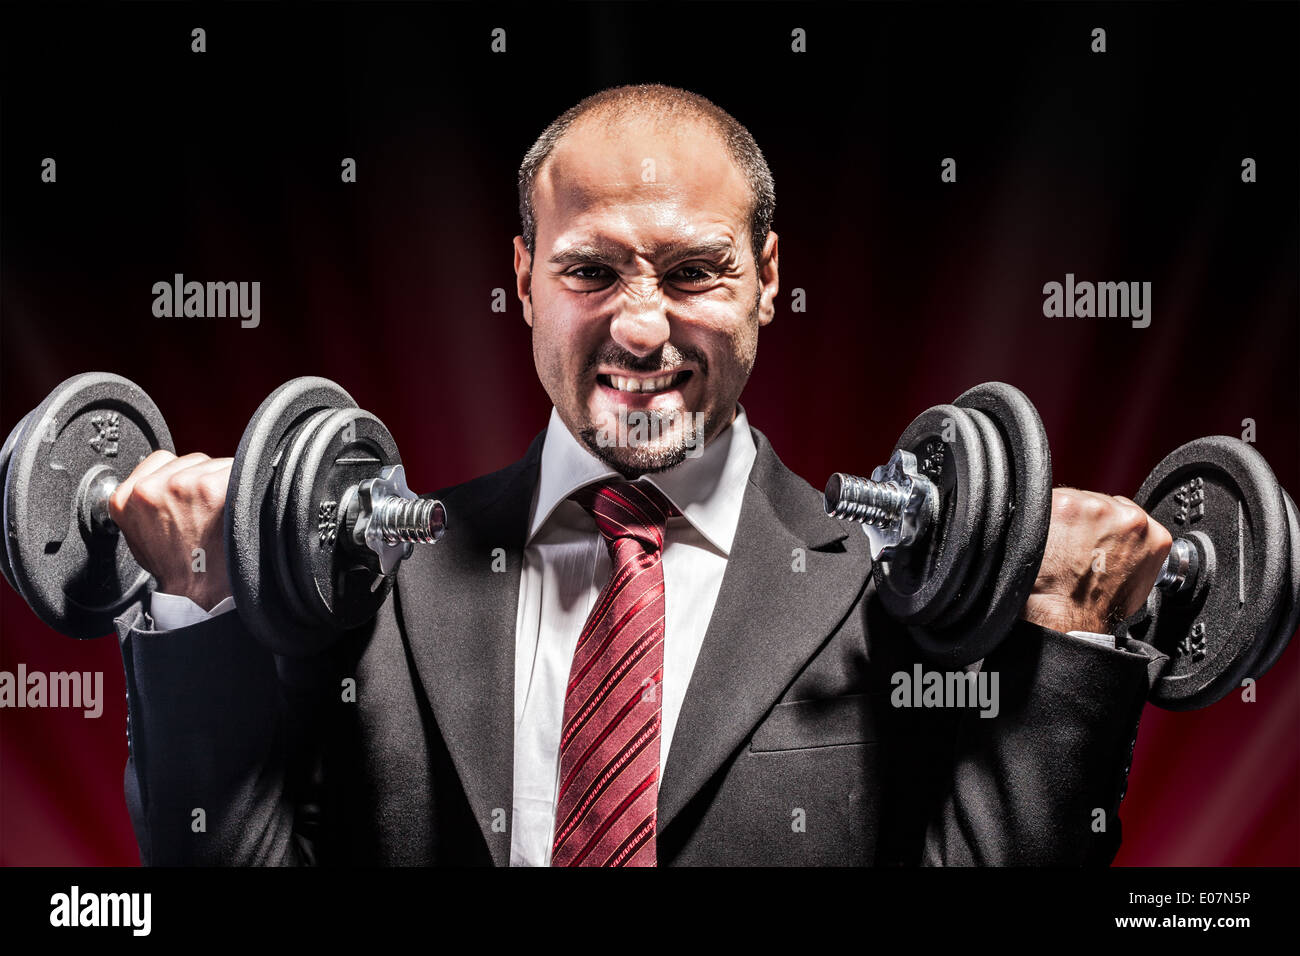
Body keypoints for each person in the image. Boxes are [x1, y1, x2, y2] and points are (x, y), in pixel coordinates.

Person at [107, 84, 1171, 866]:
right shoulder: (372, 585)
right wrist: (201, 603)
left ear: (767, 280)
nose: (642, 326)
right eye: (591, 269)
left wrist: (1068, 639)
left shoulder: (900, 598)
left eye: (695, 270)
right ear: (525, 280)